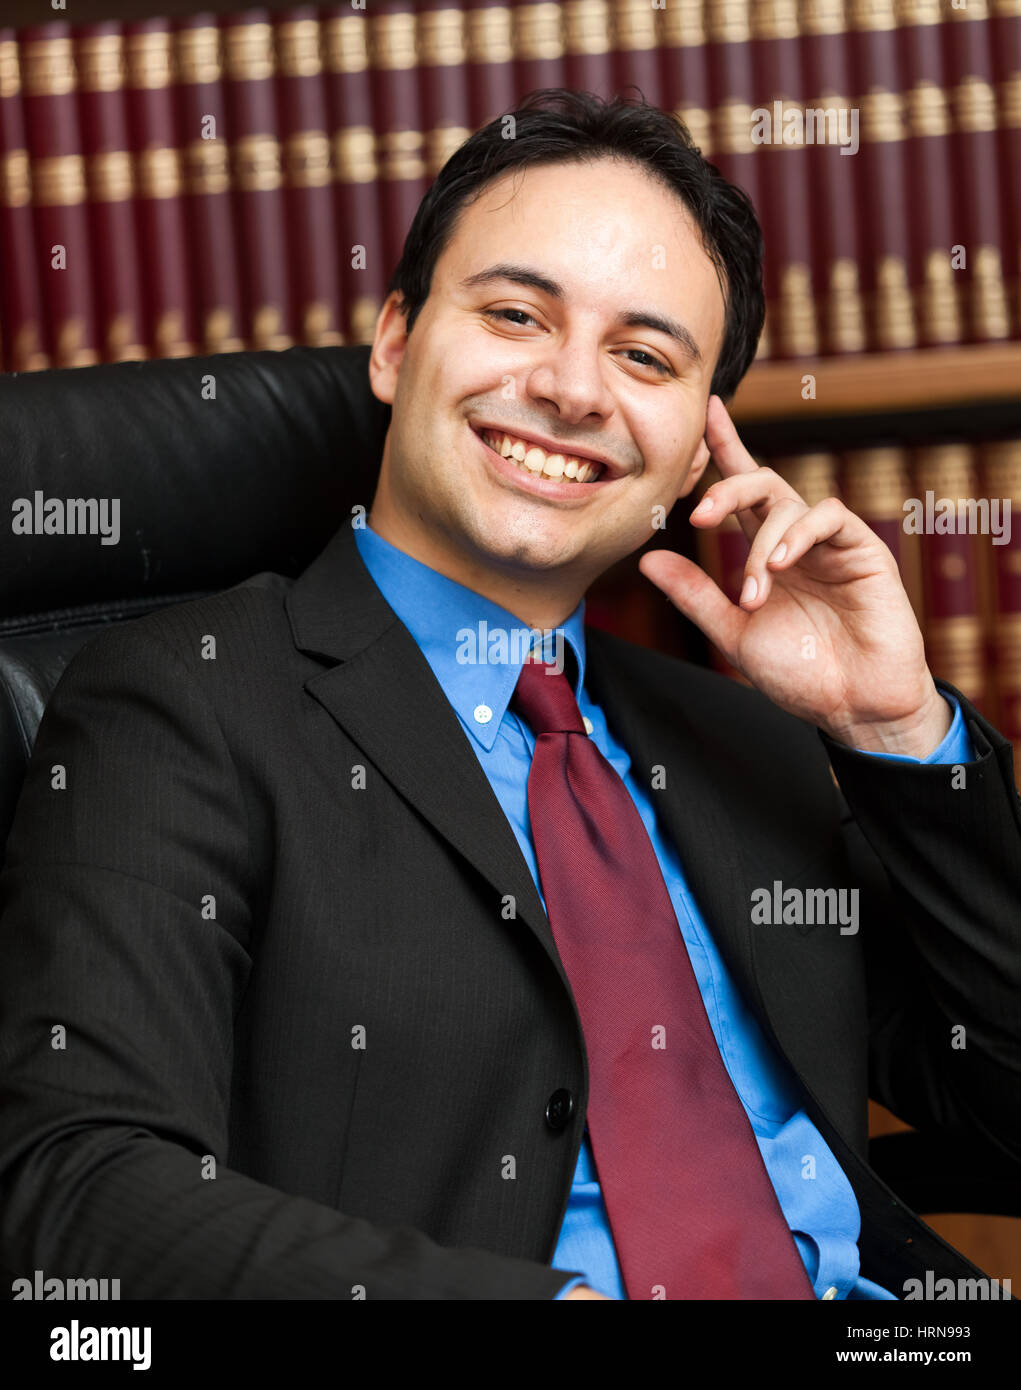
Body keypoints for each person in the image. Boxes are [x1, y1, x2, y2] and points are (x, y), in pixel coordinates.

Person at [1, 89, 1019, 1302]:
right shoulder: (186, 701)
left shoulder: (737, 736)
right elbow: (80, 1188)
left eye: (643, 356)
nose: (573, 389)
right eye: (514, 313)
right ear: (393, 342)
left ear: (698, 447)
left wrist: (897, 731)